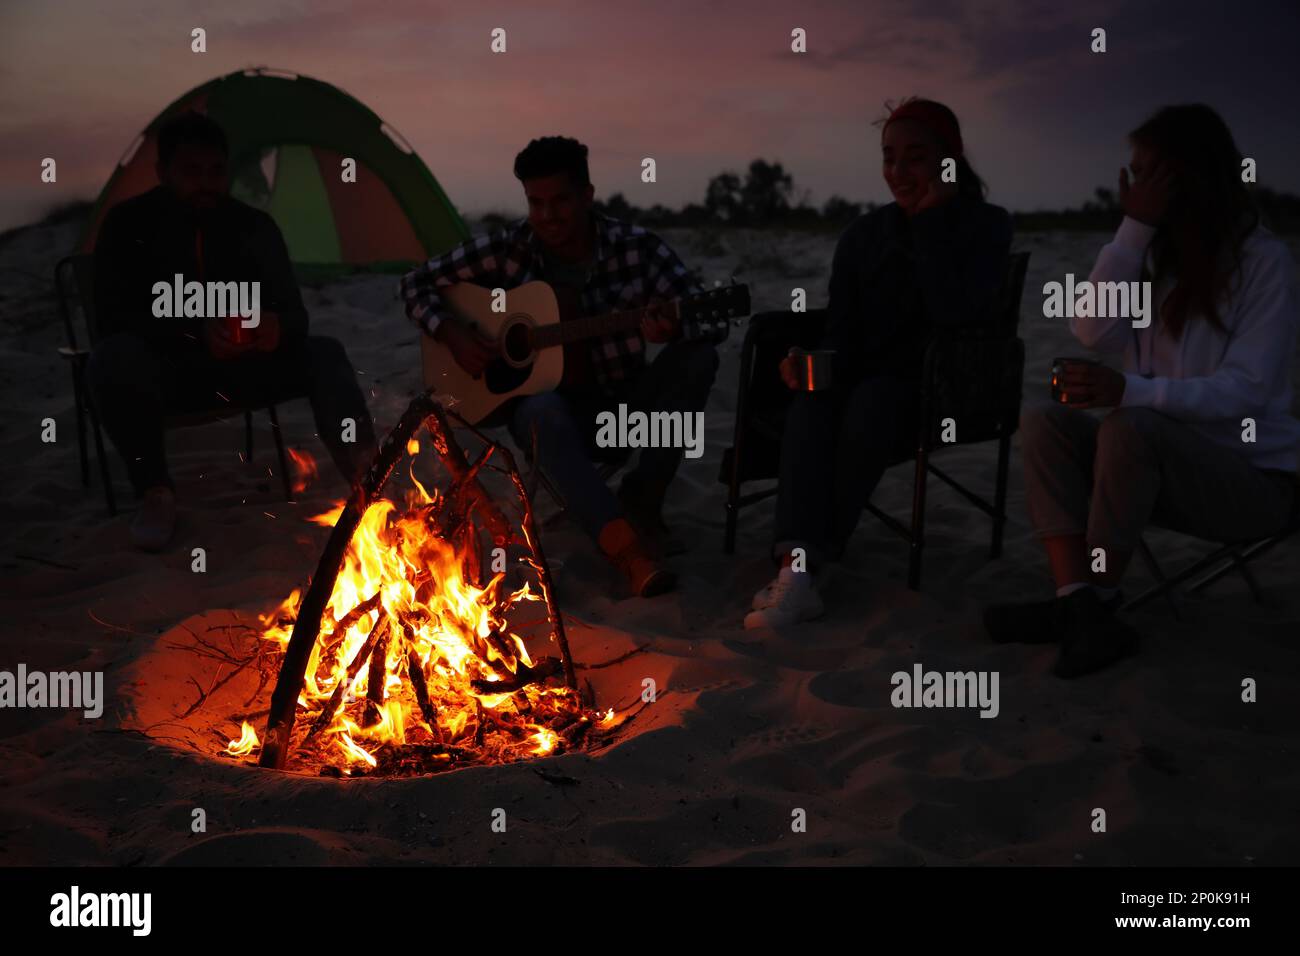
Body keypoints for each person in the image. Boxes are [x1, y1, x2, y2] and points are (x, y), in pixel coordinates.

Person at [985, 104, 1300, 678]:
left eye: (1149, 174)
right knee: (1044, 418)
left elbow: (1247, 393)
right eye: (1133, 174)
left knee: (1131, 424)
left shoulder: (1265, 263)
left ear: (1193, 177)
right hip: (1146, 470)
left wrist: (1128, 391)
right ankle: (1078, 598)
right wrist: (1134, 231)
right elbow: (1092, 330)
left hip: (1252, 481)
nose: (1134, 187)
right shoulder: (1152, 256)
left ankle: (1093, 608)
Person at [400, 136, 721, 597]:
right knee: (539, 410)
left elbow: (703, 318)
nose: (547, 216)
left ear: (588, 195)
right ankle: (627, 550)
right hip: (548, 417)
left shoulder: (638, 249)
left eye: (561, 201)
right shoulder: (508, 250)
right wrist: (452, 333)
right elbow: (414, 283)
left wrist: (672, 329)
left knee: (698, 358)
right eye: (537, 203)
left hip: (623, 410)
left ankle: (643, 500)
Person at [745, 99, 1012, 628]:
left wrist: (933, 224)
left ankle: (806, 567)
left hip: (950, 389)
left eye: (915, 157)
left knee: (872, 398)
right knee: (815, 394)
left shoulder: (986, 226)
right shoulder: (866, 235)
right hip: (868, 379)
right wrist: (810, 359)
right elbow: (841, 330)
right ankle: (797, 571)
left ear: (950, 158)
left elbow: (958, 315)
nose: (899, 171)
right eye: (890, 157)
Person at [89, 111, 378, 551]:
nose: (206, 183)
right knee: (112, 359)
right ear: (162, 172)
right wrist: (194, 333)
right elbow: (111, 318)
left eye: (216, 172)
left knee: (324, 352)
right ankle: (155, 492)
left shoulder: (253, 227)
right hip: (171, 373)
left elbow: (295, 314)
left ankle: (368, 478)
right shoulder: (129, 227)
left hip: (246, 369)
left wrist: (275, 328)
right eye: (191, 172)